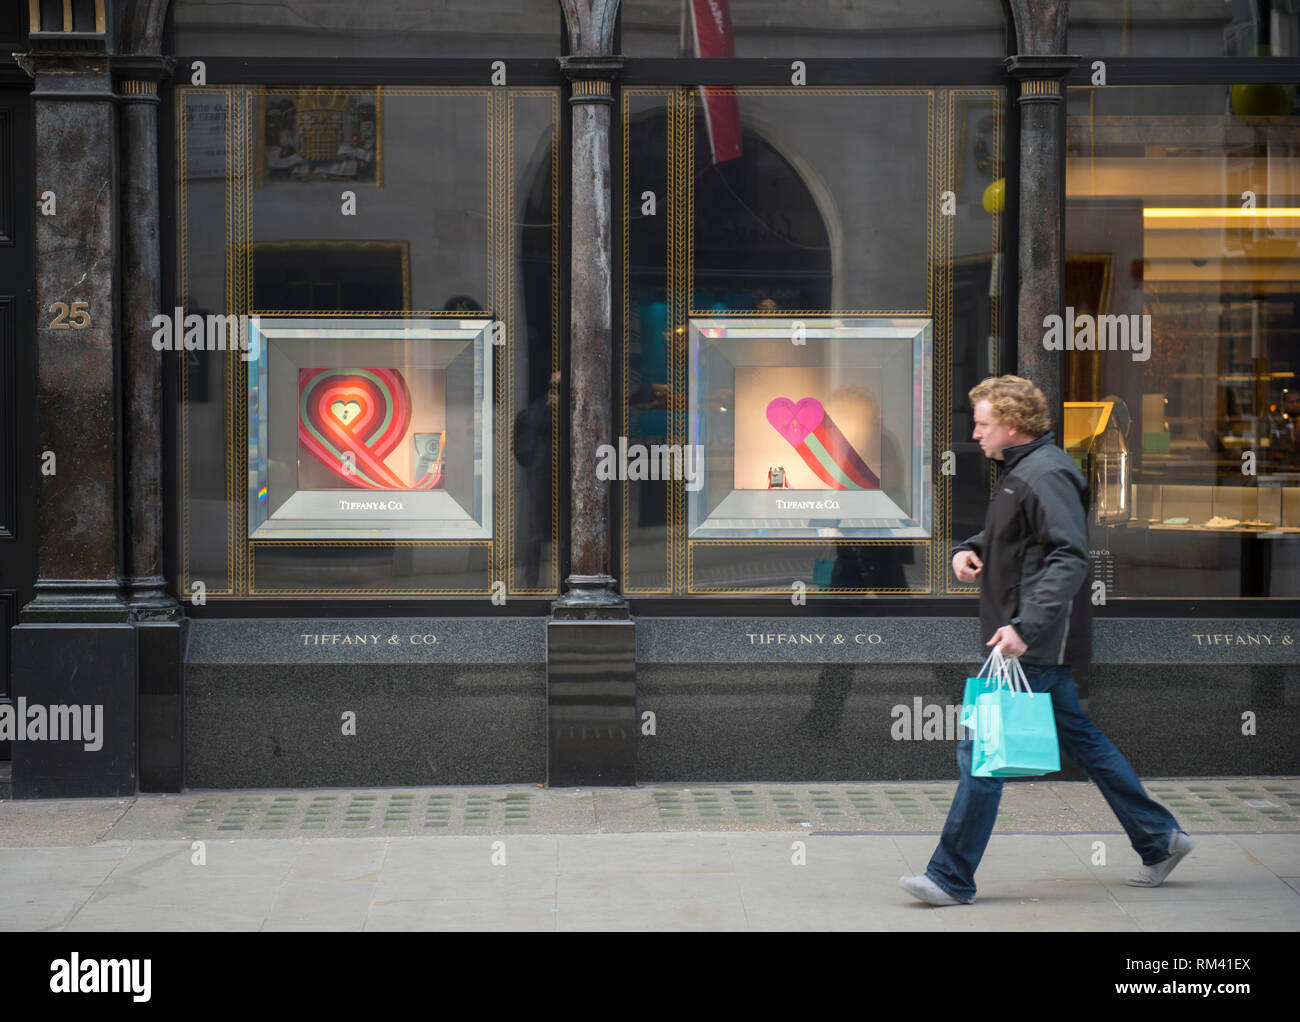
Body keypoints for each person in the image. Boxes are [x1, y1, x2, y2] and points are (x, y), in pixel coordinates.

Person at [899, 374, 1194, 906]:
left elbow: (1068, 556)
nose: (975, 433)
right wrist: (969, 547)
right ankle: (1159, 837)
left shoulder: (1047, 472)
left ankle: (950, 877)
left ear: (1012, 425)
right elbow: (1016, 535)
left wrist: (1024, 627)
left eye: (983, 424)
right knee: (1081, 741)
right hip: (1026, 641)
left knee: (983, 751)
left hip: (1028, 643)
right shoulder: (1024, 469)